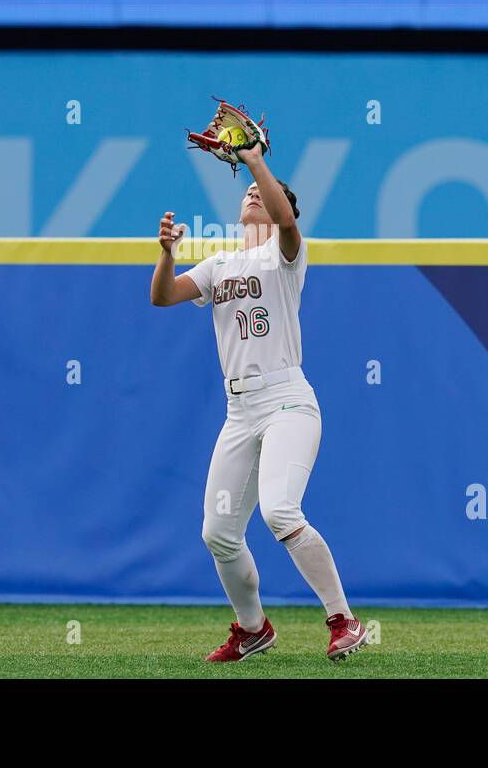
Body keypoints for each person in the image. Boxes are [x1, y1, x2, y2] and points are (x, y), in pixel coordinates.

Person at [150, 144, 368, 662]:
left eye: (261, 193)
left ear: (276, 207)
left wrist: (254, 162)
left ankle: (344, 620)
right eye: (247, 192)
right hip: (239, 411)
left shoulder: (285, 255)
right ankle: (253, 629)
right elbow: (162, 297)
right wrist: (166, 253)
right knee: (218, 532)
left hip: (287, 400)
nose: (252, 194)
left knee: (279, 509)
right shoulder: (220, 264)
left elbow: (288, 220)